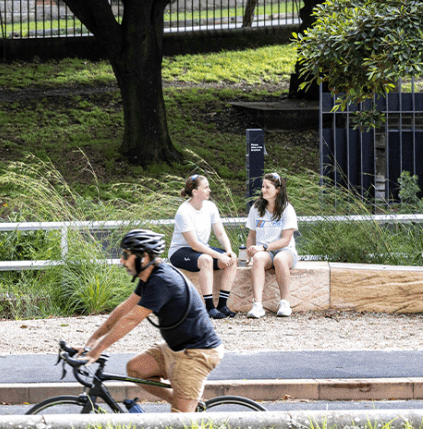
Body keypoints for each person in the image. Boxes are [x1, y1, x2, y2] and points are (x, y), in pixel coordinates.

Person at [81, 229, 223, 413]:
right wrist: (91, 341)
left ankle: (185, 410)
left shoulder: (162, 281)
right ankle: (186, 405)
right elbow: (124, 309)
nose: (122, 261)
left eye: (126, 255)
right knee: (136, 368)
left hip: (197, 353)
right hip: (176, 348)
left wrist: (97, 351)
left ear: (144, 257)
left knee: (179, 424)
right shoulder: (149, 276)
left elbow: (131, 319)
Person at [167, 174, 237, 319]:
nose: (209, 190)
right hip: (180, 252)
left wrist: (229, 251)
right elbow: (194, 244)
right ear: (194, 192)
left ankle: (222, 306)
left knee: (232, 260)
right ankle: (210, 308)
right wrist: (219, 255)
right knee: (207, 259)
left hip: (200, 249)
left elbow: (220, 233)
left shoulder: (210, 207)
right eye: (205, 188)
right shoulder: (183, 212)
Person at [245, 171, 299, 319]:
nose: (263, 190)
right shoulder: (256, 208)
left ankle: (285, 303)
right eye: (262, 186)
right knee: (258, 259)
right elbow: (251, 235)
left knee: (280, 259)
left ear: (278, 190)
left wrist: (263, 247)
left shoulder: (287, 209)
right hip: (265, 252)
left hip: (285, 251)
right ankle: (257, 306)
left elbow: (286, 240)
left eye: (267, 187)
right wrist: (247, 256)